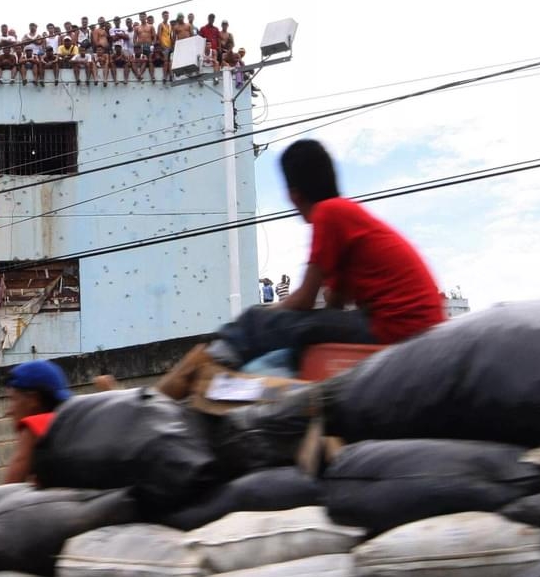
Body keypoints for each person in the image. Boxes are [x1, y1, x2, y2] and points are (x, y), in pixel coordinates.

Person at [157, 139, 445, 399]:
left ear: (294, 195)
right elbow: (335, 304)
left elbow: (305, 300)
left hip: (396, 326)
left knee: (255, 320)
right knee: (298, 332)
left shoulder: (329, 214)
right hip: (411, 327)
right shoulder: (345, 216)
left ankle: (197, 378)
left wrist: (262, 316)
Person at [1, 360, 73, 485]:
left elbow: (7, 490)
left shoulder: (35, 426)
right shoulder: (75, 424)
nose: (9, 411)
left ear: (33, 400)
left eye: (13, 399)